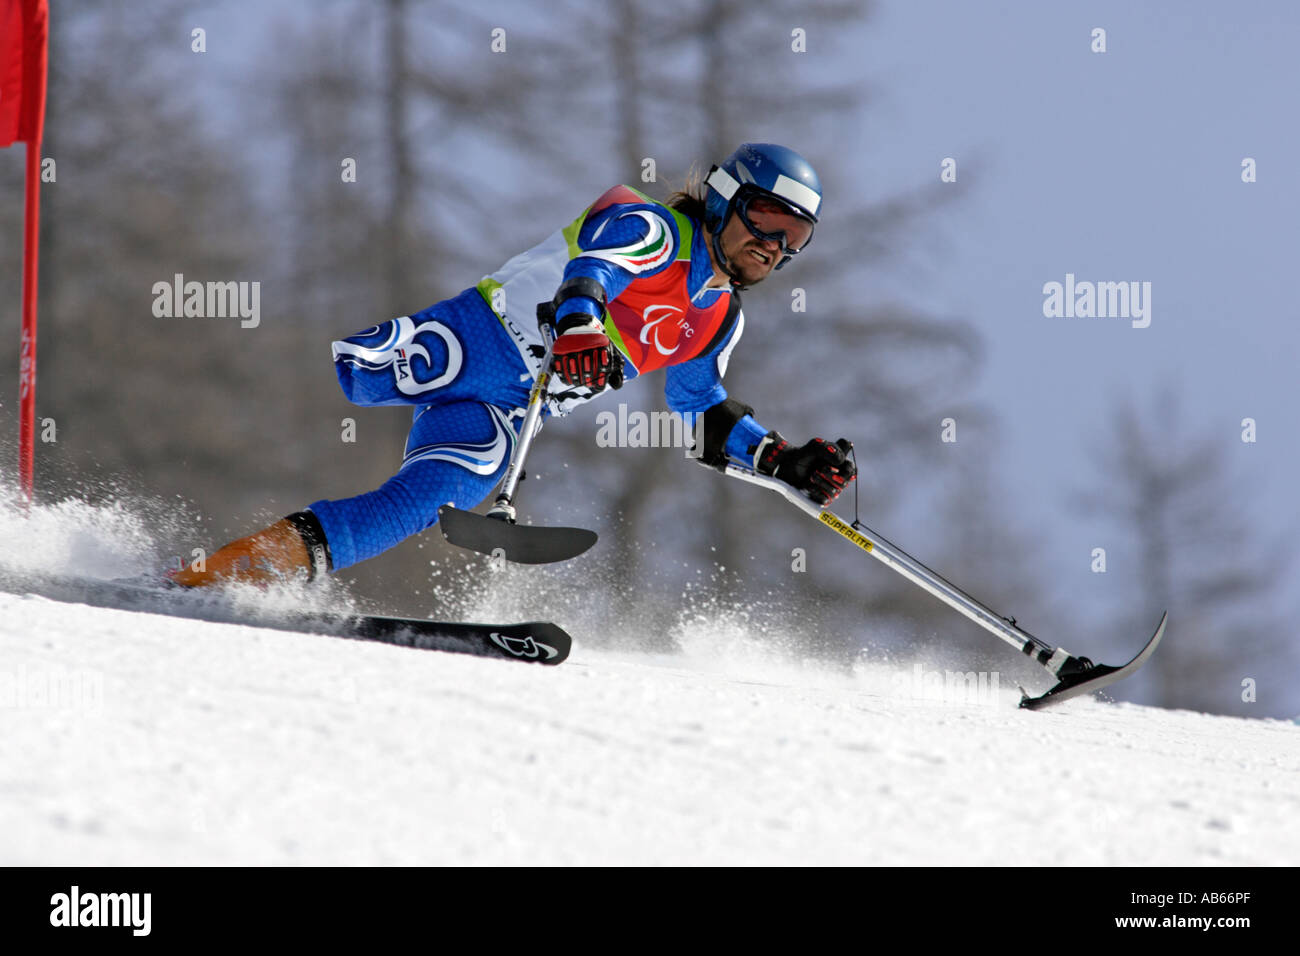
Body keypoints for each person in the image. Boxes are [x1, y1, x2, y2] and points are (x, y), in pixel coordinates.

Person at [173, 143, 857, 587]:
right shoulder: (654, 230)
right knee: (358, 371)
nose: (773, 244)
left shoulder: (717, 319)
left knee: (423, 502)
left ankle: (218, 579)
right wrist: (584, 323)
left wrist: (780, 460)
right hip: (478, 340)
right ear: (723, 198)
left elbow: (699, 408)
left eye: (795, 235)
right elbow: (594, 269)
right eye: (766, 217)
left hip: (509, 410)